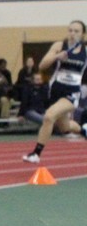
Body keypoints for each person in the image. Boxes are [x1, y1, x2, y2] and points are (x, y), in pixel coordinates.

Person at [22, 20, 86, 164]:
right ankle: (85, 131)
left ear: (82, 35)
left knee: (49, 116)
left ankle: (36, 154)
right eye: (70, 30)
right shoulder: (59, 46)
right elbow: (42, 66)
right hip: (55, 91)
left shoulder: (85, 51)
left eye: (76, 31)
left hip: (72, 93)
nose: (72, 34)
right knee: (65, 127)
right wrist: (57, 56)